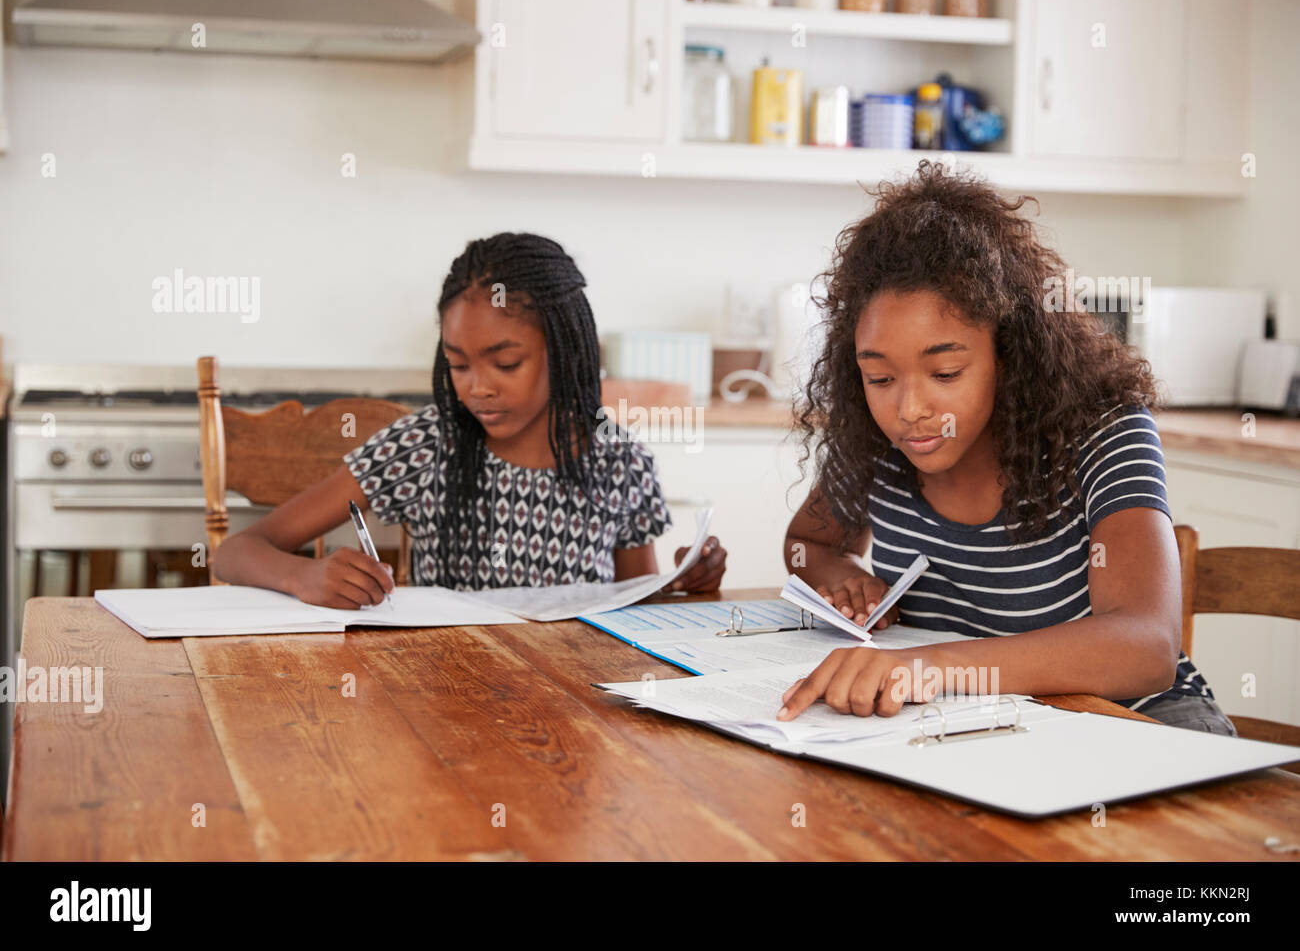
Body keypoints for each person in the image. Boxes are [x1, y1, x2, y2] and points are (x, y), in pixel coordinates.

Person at [777, 162, 1234, 735]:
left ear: (1009, 354)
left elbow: (1147, 645)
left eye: (945, 372)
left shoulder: (1102, 431)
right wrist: (841, 572)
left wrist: (927, 666)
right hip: (983, 726)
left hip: (1141, 723)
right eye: (880, 378)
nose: (909, 408)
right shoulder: (878, 441)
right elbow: (807, 542)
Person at [214, 232, 727, 605]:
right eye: (458, 364)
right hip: (448, 697)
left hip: (573, 708)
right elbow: (236, 553)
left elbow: (634, 605)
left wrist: (684, 584)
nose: (477, 386)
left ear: (566, 351)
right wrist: (303, 576)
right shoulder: (425, 446)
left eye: (506, 364)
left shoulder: (618, 460)